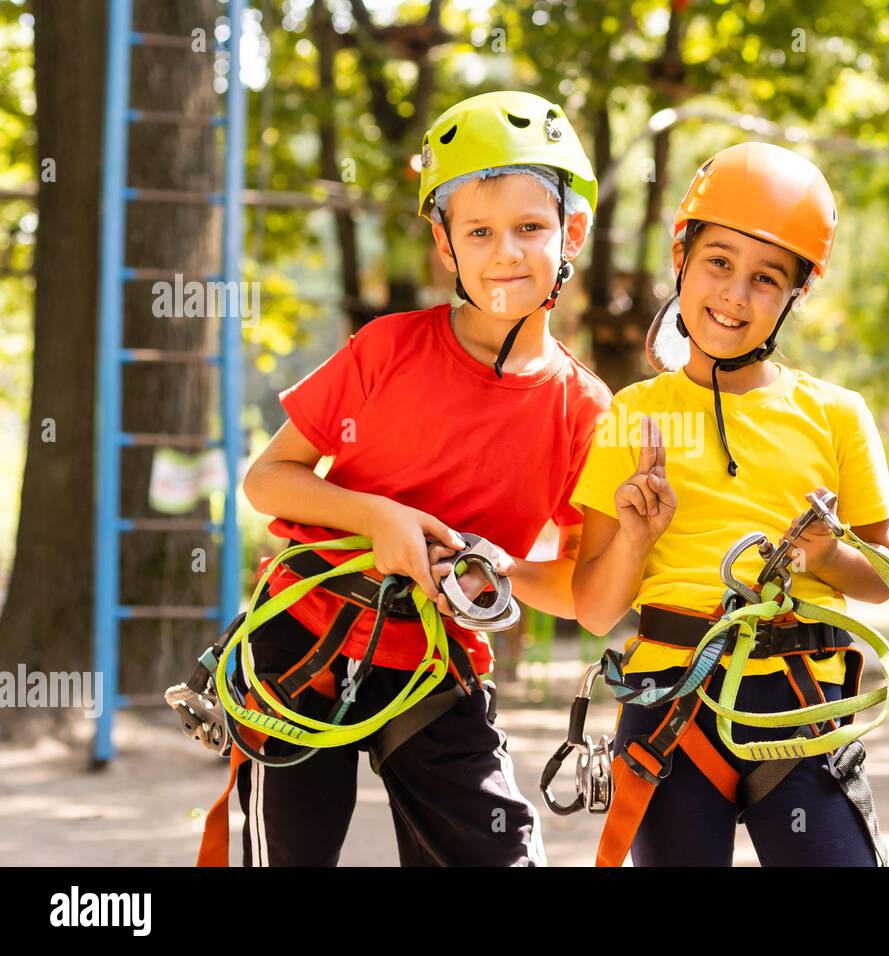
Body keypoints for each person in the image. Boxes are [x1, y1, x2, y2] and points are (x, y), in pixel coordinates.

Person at [197, 90, 611, 867]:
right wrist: (376, 516)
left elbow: (581, 590)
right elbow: (270, 480)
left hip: (437, 661)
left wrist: (497, 569)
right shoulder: (386, 350)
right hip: (306, 637)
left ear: (572, 233)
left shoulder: (585, 412)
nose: (505, 253)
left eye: (530, 227)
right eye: (479, 232)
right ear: (445, 245)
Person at [570, 141, 889, 866]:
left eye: (766, 278)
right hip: (669, 709)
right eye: (719, 262)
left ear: (795, 296)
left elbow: (882, 582)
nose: (735, 295)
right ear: (680, 256)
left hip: (800, 708)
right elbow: (594, 610)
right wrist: (632, 538)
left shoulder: (837, 415)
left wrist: (827, 552)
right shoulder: (632, 415)